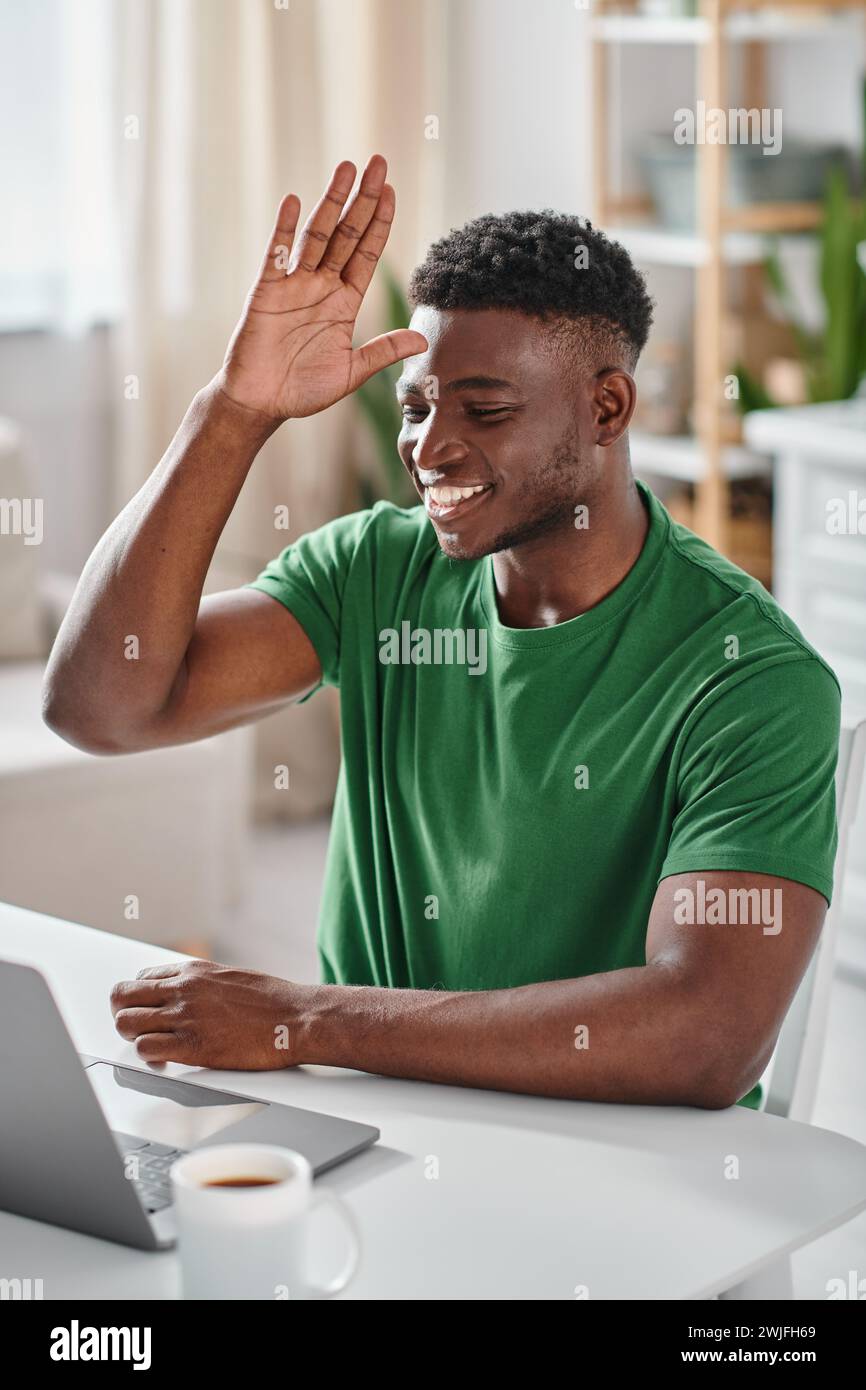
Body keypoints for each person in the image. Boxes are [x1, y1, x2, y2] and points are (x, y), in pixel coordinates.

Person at [43, 155, 839, 1108]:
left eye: (485, 410)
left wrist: (306, 1020)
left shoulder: (750, 677)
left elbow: (703, 1035)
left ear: (608, 407)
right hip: (379, 1125)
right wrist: (233, 414)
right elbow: (101, 708)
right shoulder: (374, 569)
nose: (427, 446)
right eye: (414, 407)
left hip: (626, 1169)